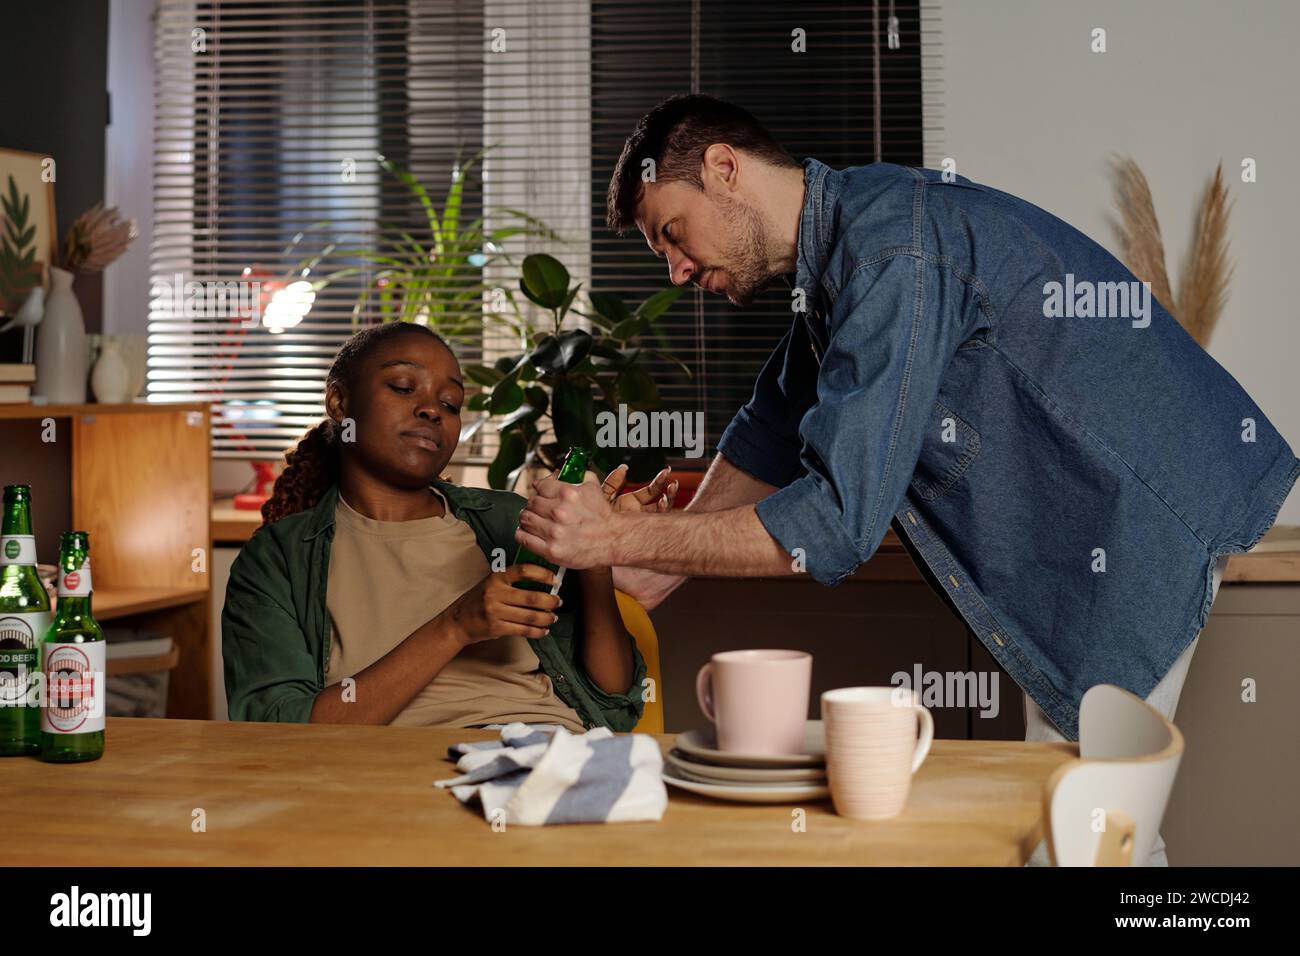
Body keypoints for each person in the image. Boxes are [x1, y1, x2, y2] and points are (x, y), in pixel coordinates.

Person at [514, 94, 1299, 863]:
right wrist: (635, 558)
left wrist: (624, 531)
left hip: (1145, 519)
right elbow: (764, 441)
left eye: (672, 235)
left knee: (1086, 834)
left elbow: (837, 525)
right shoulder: (835, 272)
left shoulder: (892, 251)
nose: (678, 271)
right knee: (1092, 827)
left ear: (723, 168)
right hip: (1092, 533)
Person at [221, 321, 672, 731]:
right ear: (340, 402)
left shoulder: (507, 523)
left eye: (450, 402)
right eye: (402, 387)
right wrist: (458, 624)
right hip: (392, 777)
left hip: (546, 755)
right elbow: (279, 734)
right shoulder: (280, 559)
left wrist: (594, 557)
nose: (432, 410)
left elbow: (613, 701)